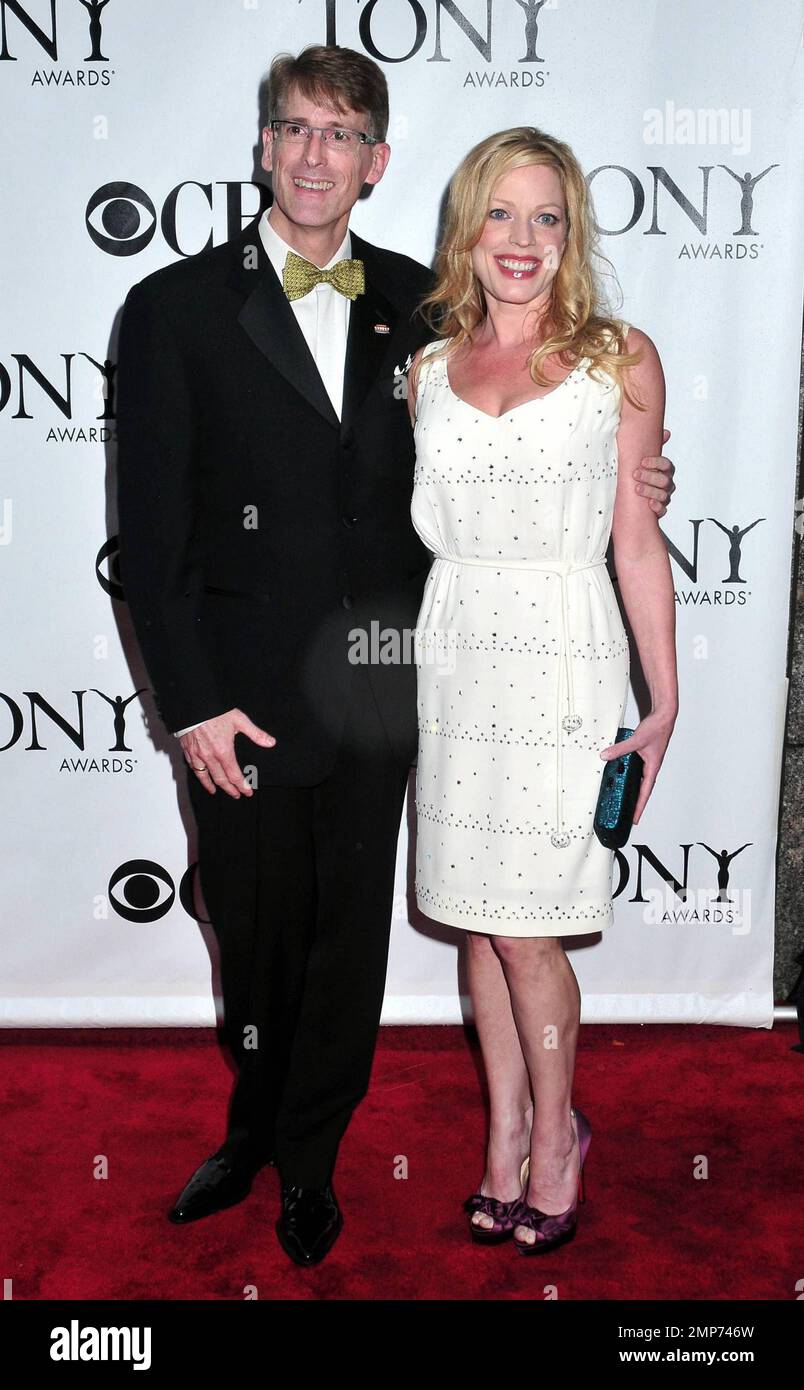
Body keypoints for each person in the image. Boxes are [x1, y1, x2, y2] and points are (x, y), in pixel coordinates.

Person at [115, 47, 676, 1268]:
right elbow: (148, 534)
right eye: (295, 130)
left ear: (379, 161)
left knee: (350, 951)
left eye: (342, 135)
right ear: (264, 146)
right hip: (245, 706)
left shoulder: (433, 307)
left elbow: (549, 441)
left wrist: (644, 478)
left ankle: (311, 1164)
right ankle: (251, 1127)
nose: (316, 155)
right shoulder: (171, 307)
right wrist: (192, 704)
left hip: (394, 691)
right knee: (253, 937)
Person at [406, 127, 678, 1255]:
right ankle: (504, 1129)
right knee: (477, 915)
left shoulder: (622, 358)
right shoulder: (425, 369)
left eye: (548, 216)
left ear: (574, 233)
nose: (523, 240)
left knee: (531, 929)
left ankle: (558, 1136)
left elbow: (637, 541)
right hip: (457, 649)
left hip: (562, 653)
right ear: (467, 226)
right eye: (502, 214)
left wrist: (662, 703)